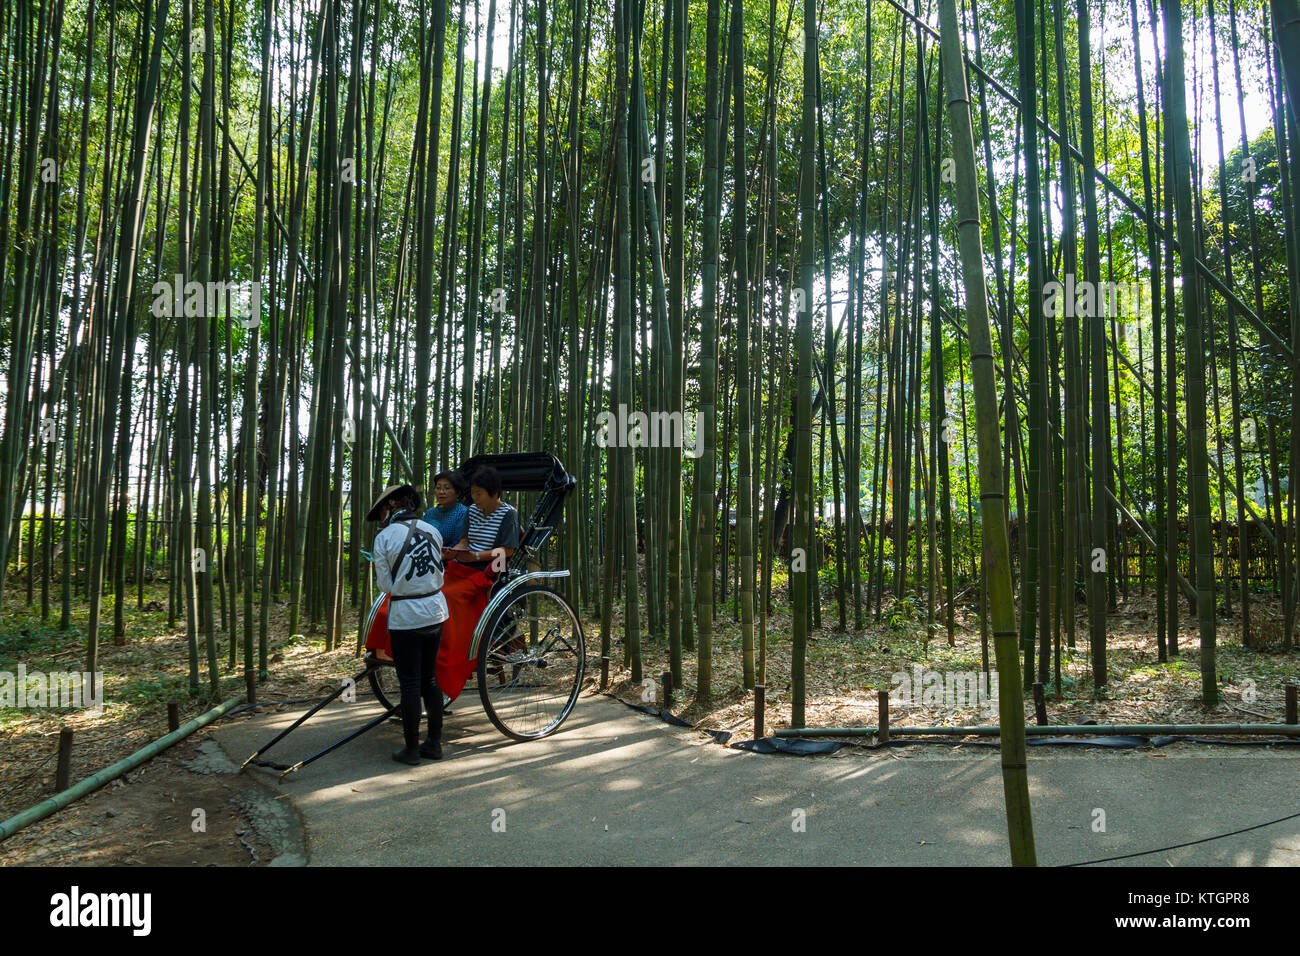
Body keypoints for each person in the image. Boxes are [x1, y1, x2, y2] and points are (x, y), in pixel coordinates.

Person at [367, 483, 446, 765]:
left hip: (406, 616)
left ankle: (411, 750)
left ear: (390, 508)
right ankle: (434, 744)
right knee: (430, 679)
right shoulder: (433, 530)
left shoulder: (384, 537)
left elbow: (385, 585)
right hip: (435, 611)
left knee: (410, 683)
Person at [448, 466, 521, 571]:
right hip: (465, 564)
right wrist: (454, 552)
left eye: (479, 493)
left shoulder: (508, 514)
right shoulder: (472, 510)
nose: (474, 497)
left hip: (489, 568)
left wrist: (477, 556)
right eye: (472, 493)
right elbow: (464, 542)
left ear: (494, 493)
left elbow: (508, 550)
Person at [424, 470, 470, 548]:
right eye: (438, 488)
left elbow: (458, 543)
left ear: (458, 492)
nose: (441, 492)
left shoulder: (463, 513)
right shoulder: (429, 513)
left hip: (449, 556)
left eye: (447, 488)